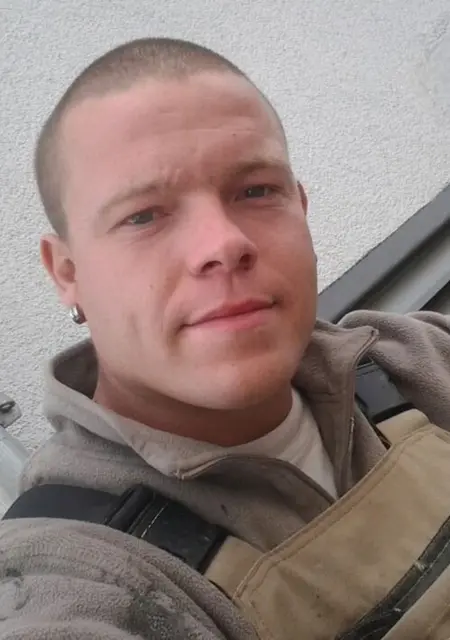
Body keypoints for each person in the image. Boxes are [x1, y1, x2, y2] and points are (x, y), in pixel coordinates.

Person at [0, 37, 450, 640]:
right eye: (143, 215)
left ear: (301, 208)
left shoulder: (417, 362)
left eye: (256, 190)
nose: (223, 243)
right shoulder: (63, 576)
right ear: (67, 272)